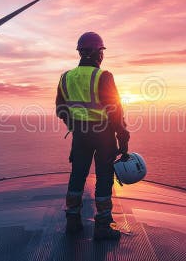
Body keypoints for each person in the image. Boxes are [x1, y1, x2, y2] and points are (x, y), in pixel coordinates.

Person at [56, 31, 130, 240]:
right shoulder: (103, 76)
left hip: (80, 134)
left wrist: (75, 126)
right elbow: (115, 109)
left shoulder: (66, 77)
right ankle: (103, 226)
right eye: (101, 51)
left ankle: (72, 220)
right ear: (98, 52)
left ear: (80, 52)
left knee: (77, 175)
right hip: (103, 133)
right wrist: (122, 137)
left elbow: (61, 109)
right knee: (104, 178)